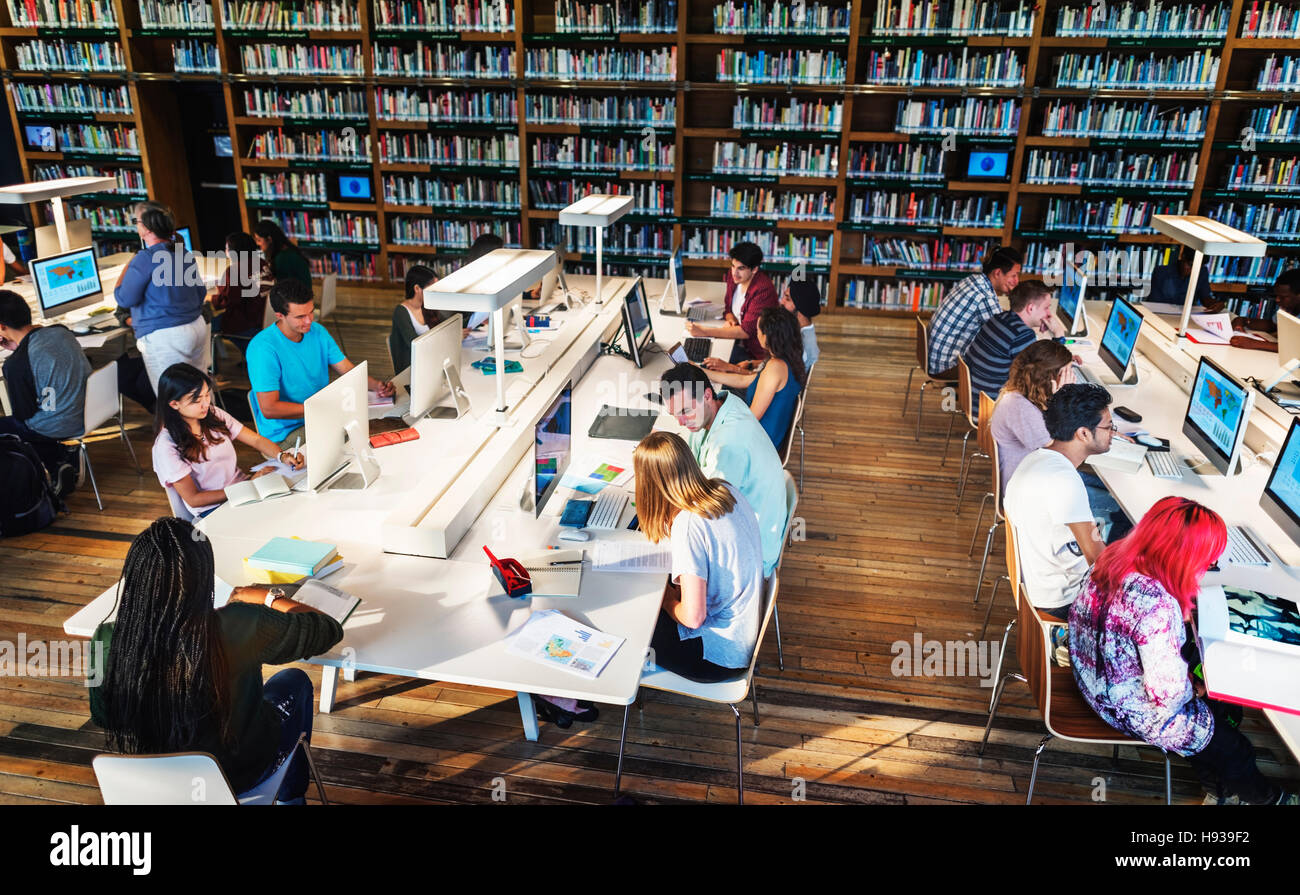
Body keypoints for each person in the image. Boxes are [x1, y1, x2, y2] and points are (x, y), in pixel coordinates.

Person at [88, 517, 343, 803]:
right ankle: (290, 798)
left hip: (158, 788)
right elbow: (327, 629)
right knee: (293, 681)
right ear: (203, 576)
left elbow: (105, 716)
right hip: (240, 778)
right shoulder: (240, 624)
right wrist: (268, 597)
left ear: (136, 582)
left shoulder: (107, 638)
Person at [1070, 496, 1297, 805]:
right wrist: (1199, 689)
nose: (1207, 568)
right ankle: (1266, 799)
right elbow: (1169, 697)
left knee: (1219, 714)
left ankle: (1217, 784)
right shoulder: (1157, 606)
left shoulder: (1113, 557)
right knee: (1234, 747)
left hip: (1090, 677)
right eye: (1207, 561)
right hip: (1125, 708)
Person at [635, 431, 764, 682]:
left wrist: (667, 601)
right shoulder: (723, 489)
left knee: (633, 616)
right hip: (743, 634)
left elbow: (694, 618)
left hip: (716, 657)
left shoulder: (688, 524)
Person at [1003, 383, 1128, 620]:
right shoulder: (1064, 480)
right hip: (1064, 600)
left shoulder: (1036, 459)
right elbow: (1098, 560)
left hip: (1040, 583)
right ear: (1083, 433)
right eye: (1109, 427)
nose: (1113, 433)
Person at [659, 363, 787, 578]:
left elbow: (709, 513)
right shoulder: (723, 406)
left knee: (664, 564)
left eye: (685, 411)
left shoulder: (728, 446)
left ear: (707, 395)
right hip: (743, 523)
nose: (680, 422)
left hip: (752, 554)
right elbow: (691, 458)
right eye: (674, 414)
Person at [246, 278, 394, 448]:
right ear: (279, 315)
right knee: (357, 436)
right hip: (287, 433)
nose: (309, 320)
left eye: (311, 312)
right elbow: (269, 409)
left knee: (376, 424)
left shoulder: (317, 331)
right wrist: (320, 409)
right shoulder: (263, 349)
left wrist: (377, 386)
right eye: (300, 316)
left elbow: (346, 369)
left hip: (320, 416)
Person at [152, 364, 304, 517]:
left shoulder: (212, 414)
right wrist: (247, 486)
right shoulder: (166, 446)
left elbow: (256, 440)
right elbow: (194, 499)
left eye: (206, 394)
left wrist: (282, 456)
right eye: (197, 400)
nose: (206, 403)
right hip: (214, 509)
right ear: (174, 404)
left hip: (244, 492)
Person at [113, 201, 208, 394]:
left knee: (172, 399)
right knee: (200, 393)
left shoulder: (145, 258)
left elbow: (123, 298)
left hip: (166, 337)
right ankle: (210, 424)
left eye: (136, 221)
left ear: (146, 228)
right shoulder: (183, 253)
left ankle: (179, 426)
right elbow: (200, 293)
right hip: (196, 329)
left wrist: (129, 265)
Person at [0, 289, 87, 495]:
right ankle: (63, 455)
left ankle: (55, 464)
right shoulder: (61, 331)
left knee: (14, 426)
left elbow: (24, 415)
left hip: (58, 425)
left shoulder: (14, 365)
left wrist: (18, 356)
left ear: (2, 327)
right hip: (88, 411)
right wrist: (18, 348)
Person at [701, 307, 806, 448]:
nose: (756, 334)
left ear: (767, 336)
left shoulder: (775, 368)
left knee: (701, 425)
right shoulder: (787, 359)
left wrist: (717, 423)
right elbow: (743, 380)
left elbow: (751, 418)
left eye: (758, 330)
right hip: (769, 434)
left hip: (760, 443)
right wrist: (702, 371)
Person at [990, 339, 1075, 492]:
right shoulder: (1021, 408)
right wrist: (1061, 400)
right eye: (1067, 373)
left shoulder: (1021, 392)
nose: (1072, 378)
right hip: (1026, 491)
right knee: (1110, 501)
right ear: (1050, 379)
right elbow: (1062, 453)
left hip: (1033, 474)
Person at [927, 246, 1022, 378]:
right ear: (997, 273)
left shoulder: (974, 280)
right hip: (946, 366)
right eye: (1013, 275)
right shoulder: (985, 297)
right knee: (1005, 364)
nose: (1017, 281)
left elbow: (998, 316)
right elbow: (1004, 335)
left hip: (935, 358)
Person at [963, 280, 1065, 400]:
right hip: (991, 408)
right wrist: (1059, 335)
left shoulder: (999, 319)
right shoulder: (1022, 335)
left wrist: (1054, 350)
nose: (1049, 314)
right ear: (1031, 308)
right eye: (1046, 308)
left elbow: (1035, 359)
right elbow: (1044, 377)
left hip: (974, 397)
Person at [684, 241, 779, 364]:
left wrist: (704, 331)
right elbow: (728, 308)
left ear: (754, 269)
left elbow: (746, 332)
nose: (734, 272)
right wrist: (731, 319)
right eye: (733, 266)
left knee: (706, 363)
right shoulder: (733, 277)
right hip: (738, 342)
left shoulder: (763, 290)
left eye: (741, 268)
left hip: (756, 355)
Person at [707, 279, 822, 372]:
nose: (781, 302)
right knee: (721, 356)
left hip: (759, 390)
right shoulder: (795, 330)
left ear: (800, 309)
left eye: (787, 299)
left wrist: (730, 368)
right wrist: (751, 364)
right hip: (759, 371)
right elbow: (773, 363)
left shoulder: (801, 348)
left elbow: (768, 380)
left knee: (707, 381)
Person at [209, 232, 268, 340]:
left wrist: (210, 298)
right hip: (264, 320)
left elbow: (227, 300)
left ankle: (218, 355)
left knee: (206, 324)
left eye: (227, 248)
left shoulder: (234, 271)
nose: (225, 251)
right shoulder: (262, 263)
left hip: (245, 324)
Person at [1229, 268, 1300, 350]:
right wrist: (1244, 321)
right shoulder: (1289, 307)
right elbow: (1272, 325)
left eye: (1283, 297)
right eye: (1276, 295)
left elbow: (1296, 348)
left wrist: (1254, 343)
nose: (1277, 300)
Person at [388, 264, 440, 373]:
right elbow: (414, 344)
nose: (436, 291)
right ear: (417, 288)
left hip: (430, 362)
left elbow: (446, 324)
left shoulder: (427, 306)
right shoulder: (401, 312)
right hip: (412, 370)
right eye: (432, 287)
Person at [1148, 246, 1214, 309]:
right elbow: (1154, 304)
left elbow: (1205, 297)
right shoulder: (1161, 272)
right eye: (1190, 265)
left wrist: (1214, 304)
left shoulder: (1202, 272)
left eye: (1198, 267)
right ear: (1183, 257)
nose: (1194, 271)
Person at [253, 219, 311, 288]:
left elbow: (281, 288)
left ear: (269, 239)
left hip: (297, 297)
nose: (257, 243)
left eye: (259, 240)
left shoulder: (283, 258)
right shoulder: (287, 251)